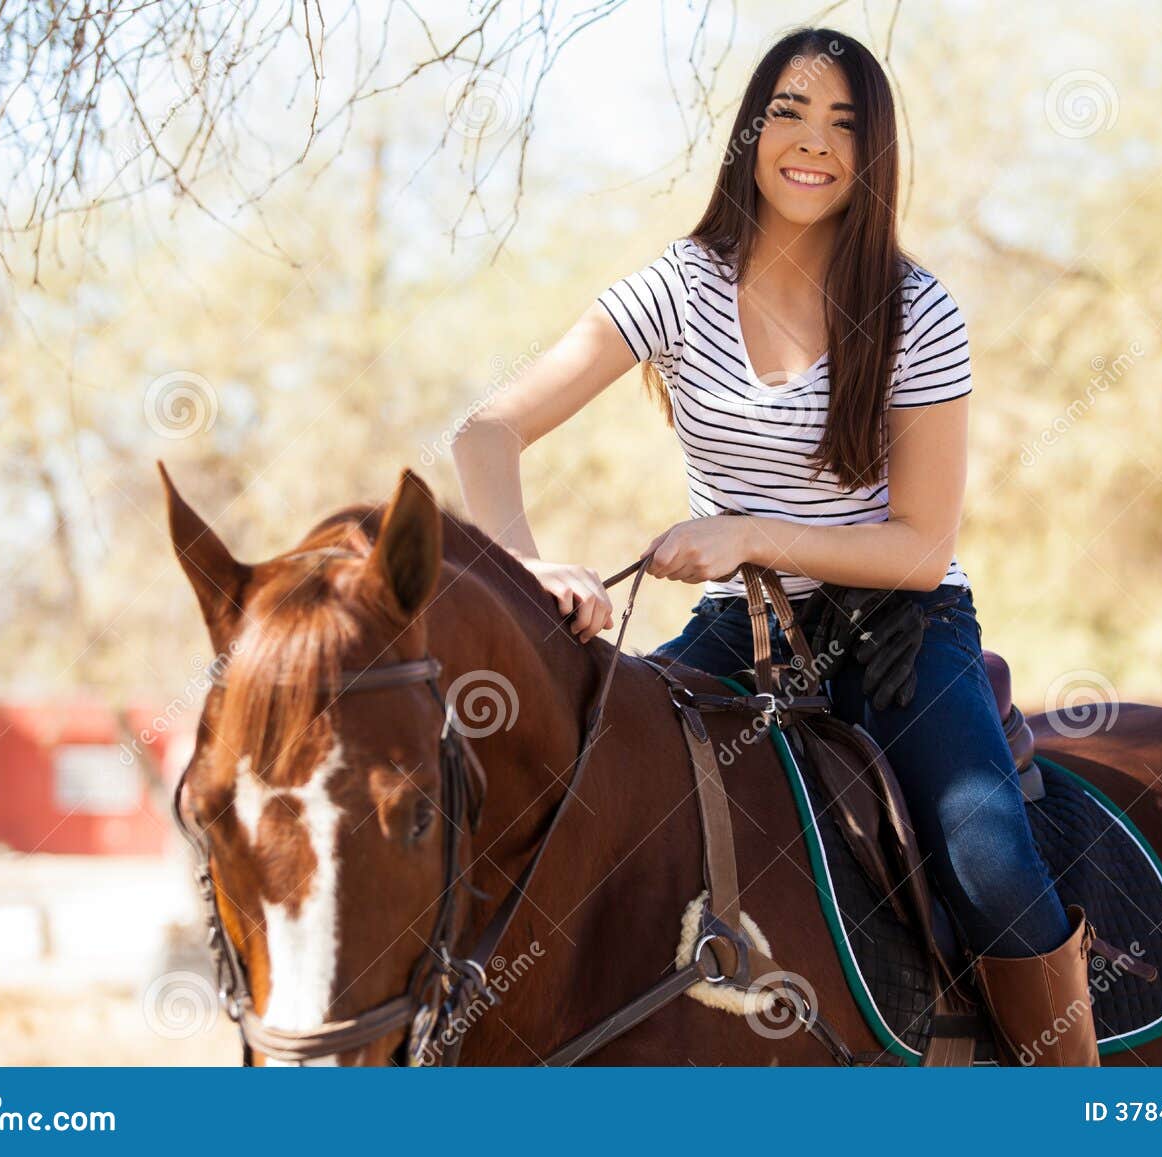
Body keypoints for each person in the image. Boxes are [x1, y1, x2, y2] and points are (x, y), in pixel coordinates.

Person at [452, 25, 1098, 1066]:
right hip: (738, 631)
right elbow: (484, 432)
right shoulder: (678, 286)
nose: (812, 142)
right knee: (593, 789)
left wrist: (743, 529)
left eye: (844, 123)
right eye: (789, 112)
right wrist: (529, 569)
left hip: (899, 627)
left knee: (987, 856)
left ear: (872, 153)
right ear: (751, 133)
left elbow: (923, 547)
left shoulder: (916, 308)